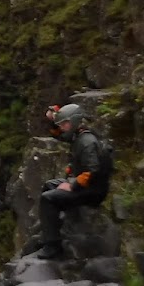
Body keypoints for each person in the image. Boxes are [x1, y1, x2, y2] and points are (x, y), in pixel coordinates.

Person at [35, 104, 114, 260]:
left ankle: (53, 245)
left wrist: (72, 185)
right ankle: (50, 231)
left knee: (47, 198)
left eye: (65, 123)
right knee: (49, 185)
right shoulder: (78, 135)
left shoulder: (87, 142)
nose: (63, 127)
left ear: (75, 121)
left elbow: (92, 171)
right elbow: (58, 134)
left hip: (92, 191)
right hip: (85, 185)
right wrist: (53, 119)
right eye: (62, 124)